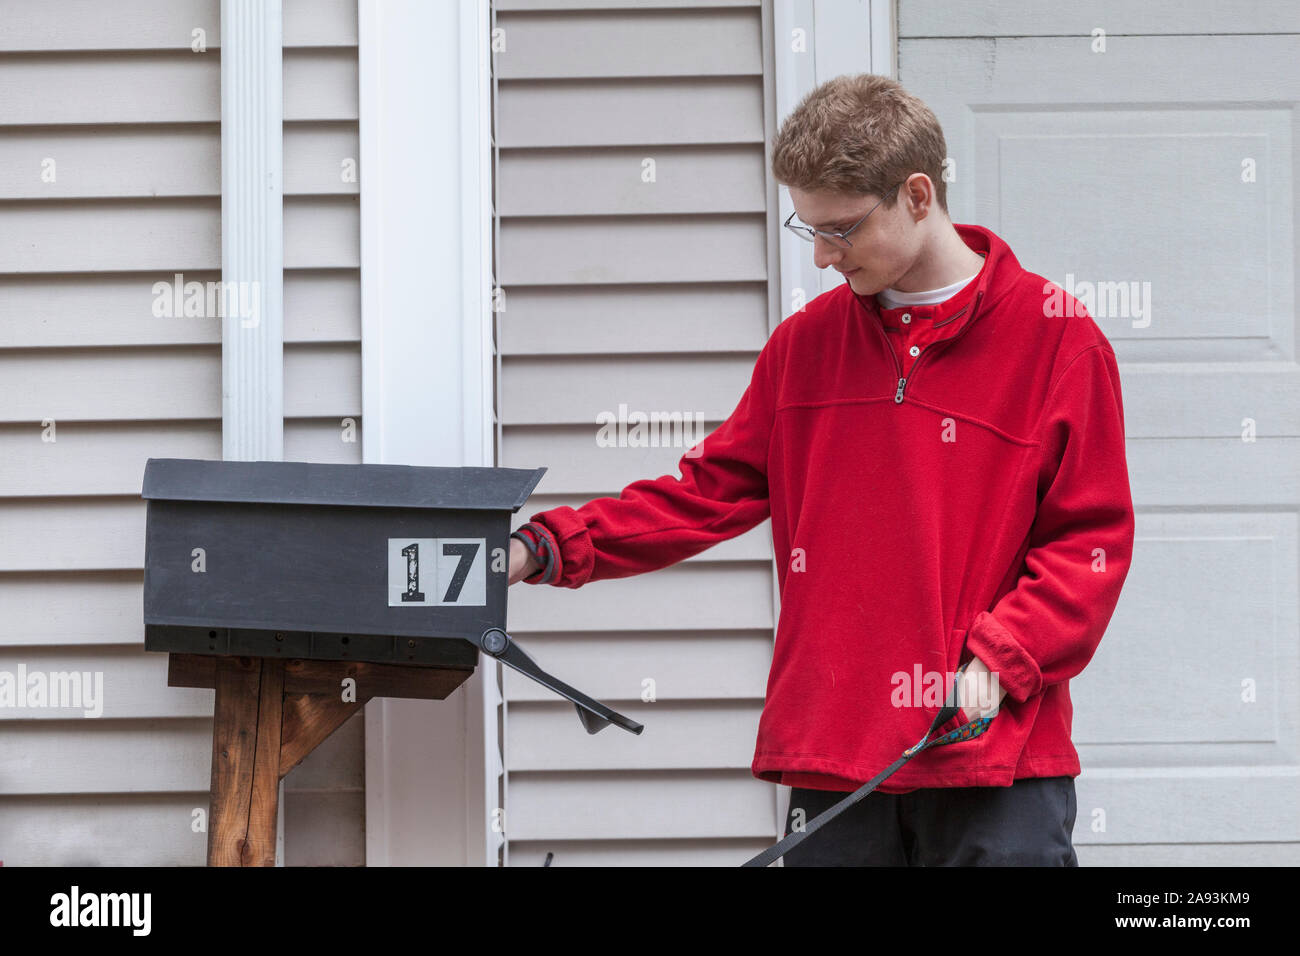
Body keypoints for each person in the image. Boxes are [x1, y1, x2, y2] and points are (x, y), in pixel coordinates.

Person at [507, 73, 1134, 866]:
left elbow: (1089, 540)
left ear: (916, 195)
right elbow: (704, 495)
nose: (822, 257)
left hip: (990, 758)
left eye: (840, 230)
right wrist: (544, 547)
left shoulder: (1056, 340)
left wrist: (1004, 656)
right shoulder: (805, 347)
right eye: (809, 229)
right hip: (836, 759)